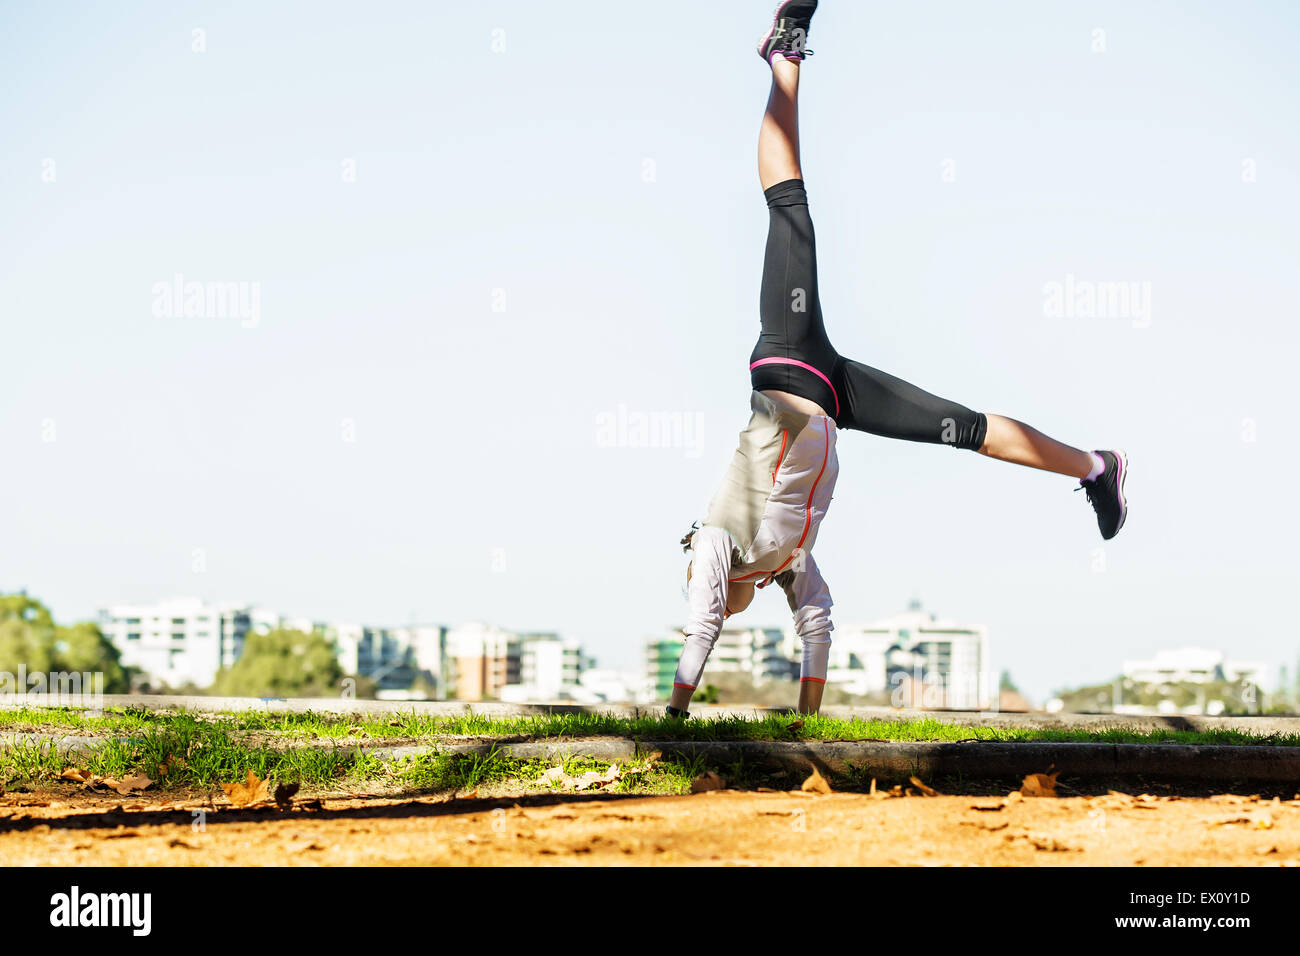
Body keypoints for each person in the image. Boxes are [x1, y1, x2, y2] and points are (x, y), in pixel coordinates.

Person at [667, 1, 1129, 719]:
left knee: (790, 210)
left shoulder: (717, 547)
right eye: (729, 608)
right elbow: (816, 626)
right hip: (838, 397)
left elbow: (698, 627)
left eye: (719, 599)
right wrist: (808, 724)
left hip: (788, 367)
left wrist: (672, 716)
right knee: (965, 428)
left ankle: (783, 60)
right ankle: (1098, 467)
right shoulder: (785, 568)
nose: (724, 607)